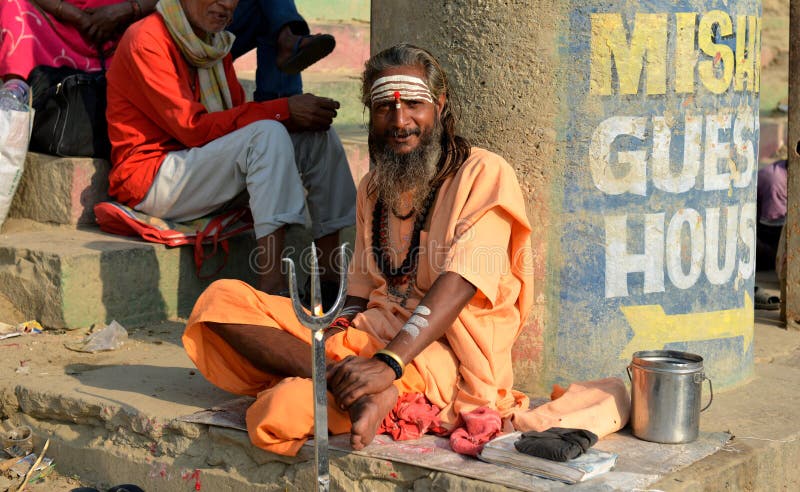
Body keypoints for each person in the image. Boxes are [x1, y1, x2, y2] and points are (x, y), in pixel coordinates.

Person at [182, 43, 628, 456]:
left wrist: (389, 363)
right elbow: (357, 292)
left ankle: (353, 387)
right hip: (368, 341)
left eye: (413, 104)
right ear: (371, 114)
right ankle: (341, 381)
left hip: (443, 354)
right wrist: (337, 339)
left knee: (279, 411)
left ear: (441, 105)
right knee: (218, 302)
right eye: (385, 108)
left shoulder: (483, 173)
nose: (400, 122)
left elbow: (458, 283)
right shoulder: (373, 188)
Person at [105, 0, 355, 294]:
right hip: (154, 177)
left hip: (202, 167)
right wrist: (283, 109)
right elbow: (193, 129)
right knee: (267, 133)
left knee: (318, 135)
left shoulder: (215, 43)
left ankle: (328, 282)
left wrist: (291, 115)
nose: (225, 5)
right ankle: (272, 287)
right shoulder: (146, 39)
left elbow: (233, 120)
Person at [1, 0, 333, 100]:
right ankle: (281, 98)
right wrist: (70, 13)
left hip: (152, 23)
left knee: (265, 10)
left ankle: (286, 54)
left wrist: (127, 9)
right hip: (74, 26)